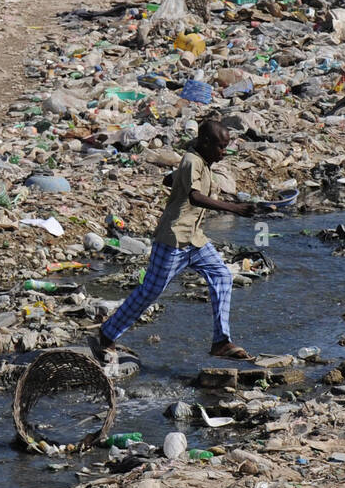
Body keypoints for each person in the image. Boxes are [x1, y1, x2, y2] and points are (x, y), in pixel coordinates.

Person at [96, 119, 256, 362]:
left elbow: (171, 180)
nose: (224, 152)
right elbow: (194, 197)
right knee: (150, 291)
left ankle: (221, 341)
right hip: (173, 239)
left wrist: (175, 178)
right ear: (205, 143)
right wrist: (234, 208)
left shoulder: (199, 160)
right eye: (221, 147)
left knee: (222, 275)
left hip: (194, 239)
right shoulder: (193, 161)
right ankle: (107, 335)